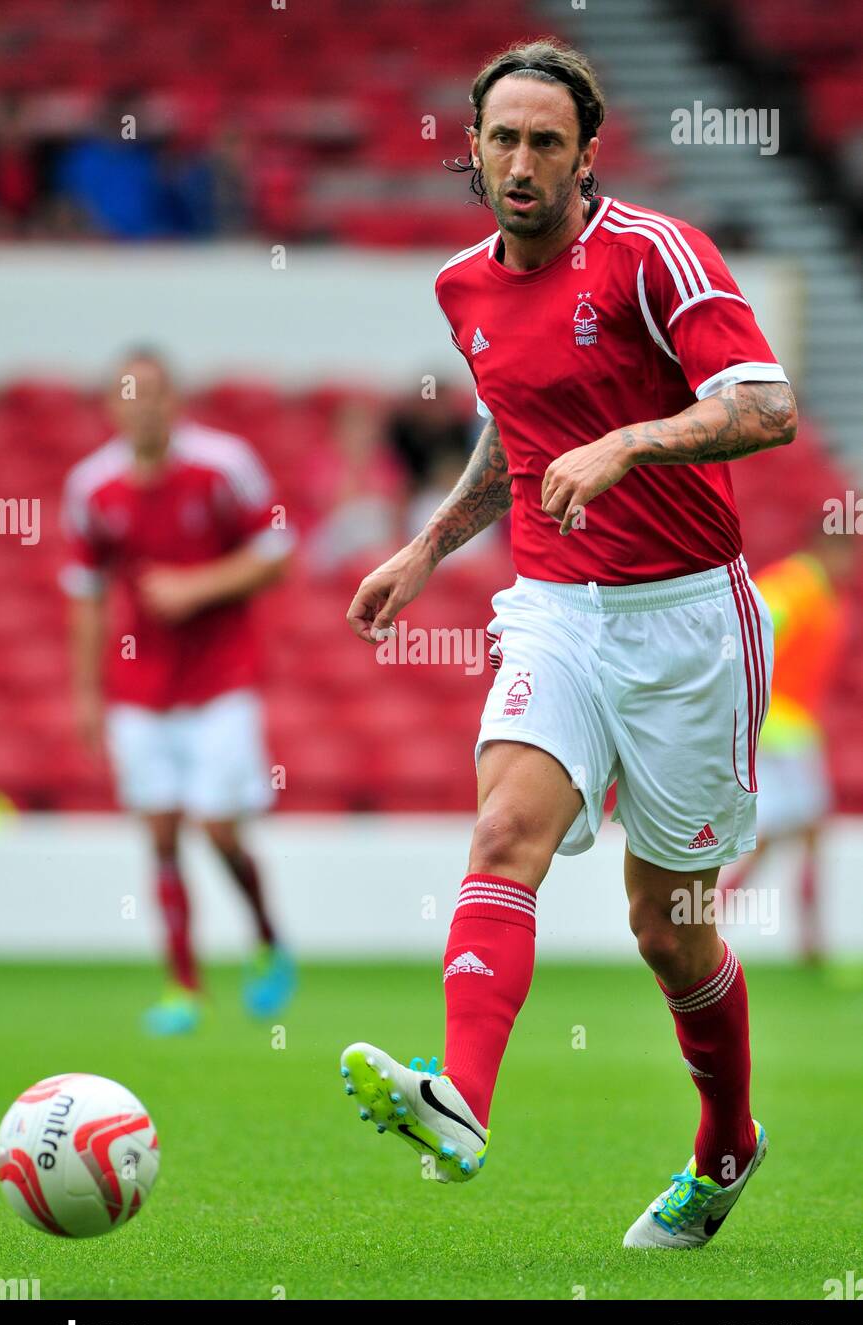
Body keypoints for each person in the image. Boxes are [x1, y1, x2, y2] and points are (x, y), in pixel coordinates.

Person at [339, 39, 799, 1249]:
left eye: (548, 141)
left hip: (690, 619)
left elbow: (766, 405)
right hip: (554, 608)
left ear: (587, 154)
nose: (523, 161)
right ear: (474, 150)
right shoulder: (460, 287)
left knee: (667, 926)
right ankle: (461, 1097)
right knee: (501, 828)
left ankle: (725, 1140)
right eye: (503, 139)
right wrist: (429, 546)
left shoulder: (654, 254)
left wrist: (631, 444)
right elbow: (515, 422)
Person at [61, 350, 296, 1034]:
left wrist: (200, 586)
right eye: (128, 395)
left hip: (221, 679)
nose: (141, 406)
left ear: (174, 400)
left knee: (219, 828)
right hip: (139, 689)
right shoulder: (92, 488)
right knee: (161, 833)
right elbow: (87, 596)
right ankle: (183, 986)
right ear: (111, 405)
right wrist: (85, 693)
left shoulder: (224, 466)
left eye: (154, 393)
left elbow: (278, 553)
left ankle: (267, 940)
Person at [720, 528, 856, 962]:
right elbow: (748, 632)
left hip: (789, 730)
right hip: (782, 730)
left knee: (781, 838)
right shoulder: (796, 586)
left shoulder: (818, 591)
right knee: (798, 835)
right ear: (830, 547)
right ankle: (808, 941)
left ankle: (711, 927)